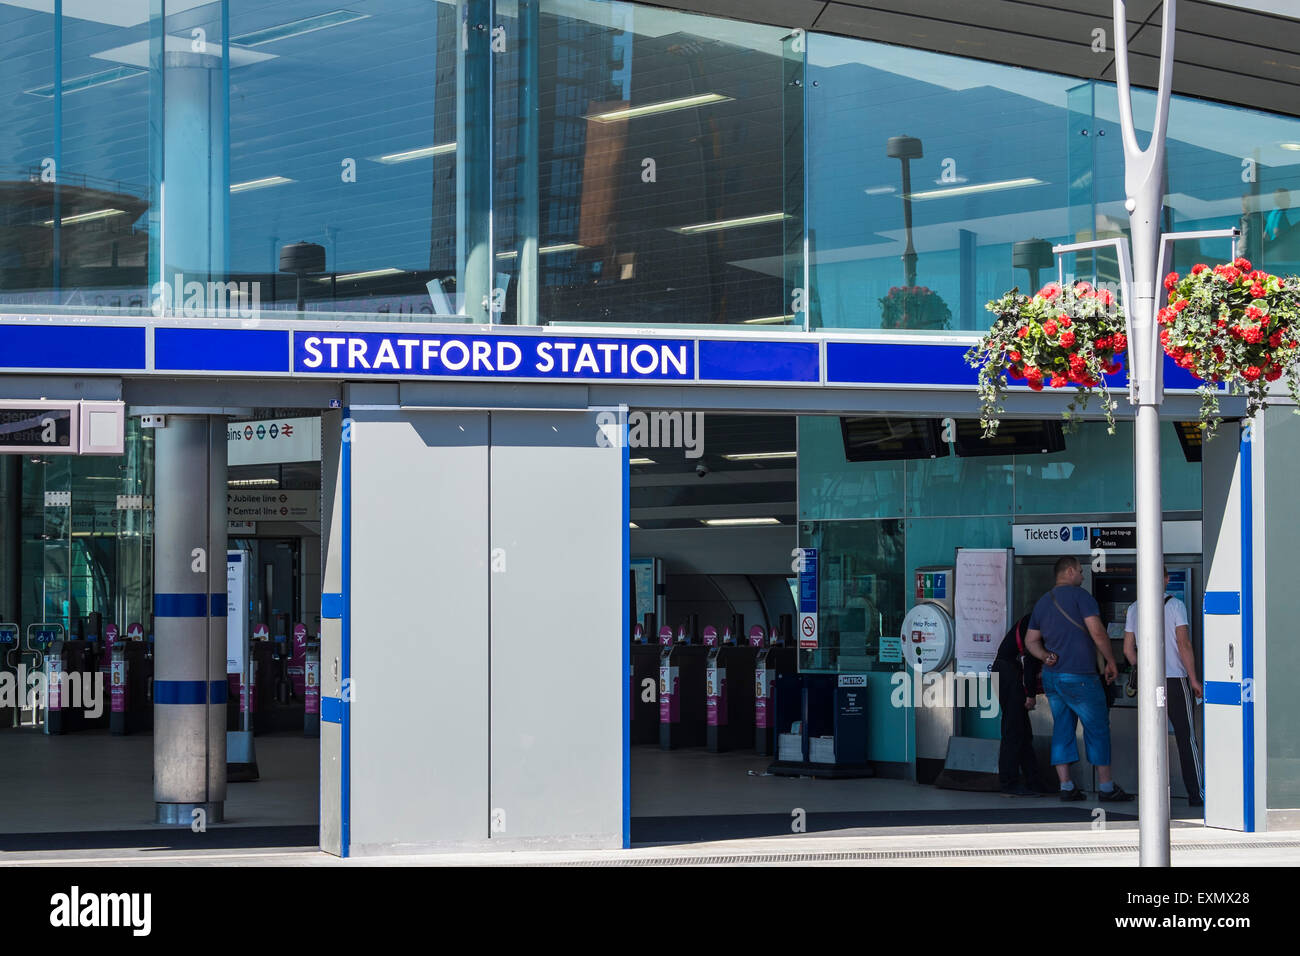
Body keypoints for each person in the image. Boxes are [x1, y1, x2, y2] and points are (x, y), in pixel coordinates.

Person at [1023, 556, 1134, 802]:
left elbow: (1031, 641)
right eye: (1081, 572)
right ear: (1070, 571)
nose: (1083, 576)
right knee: (1097, 729)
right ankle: (1106, 787)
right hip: (1080, 677)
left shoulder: (1043, 602)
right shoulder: (1081, 597)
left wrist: (1045, 656)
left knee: (1062, 729)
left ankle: (1066, 786)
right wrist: (1111, 662)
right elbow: (1098, 633)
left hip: (1053, 678)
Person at [1123, 568, 1204, 808]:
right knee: (1186, 737)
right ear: (1166, 579)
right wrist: (1194, 679)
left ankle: (1153, 796)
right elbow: (1184, 644)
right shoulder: (1175, 605)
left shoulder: (1134, 608)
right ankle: (1196, 794)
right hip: (1175, 679)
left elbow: (1128, 650)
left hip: (1150, 682)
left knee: (1151, 737)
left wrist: (1144, 667)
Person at [992, 611, 1047, 796]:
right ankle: (1009, 782)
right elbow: (1030, 659)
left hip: (1006, 671)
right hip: (1010, 673)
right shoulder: (1037, 623)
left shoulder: (1035, 618)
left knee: (1022, 732)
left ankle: (1033, 781)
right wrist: (1030, 694)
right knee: (1014, 730)